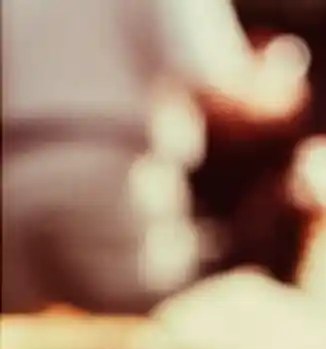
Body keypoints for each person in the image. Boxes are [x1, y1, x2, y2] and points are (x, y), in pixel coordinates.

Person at [1, 0, 307, 315]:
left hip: (13, 179)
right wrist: (283, 74)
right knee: (149, 341)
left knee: (20, 348)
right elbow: (226, 96)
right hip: (113, 180)